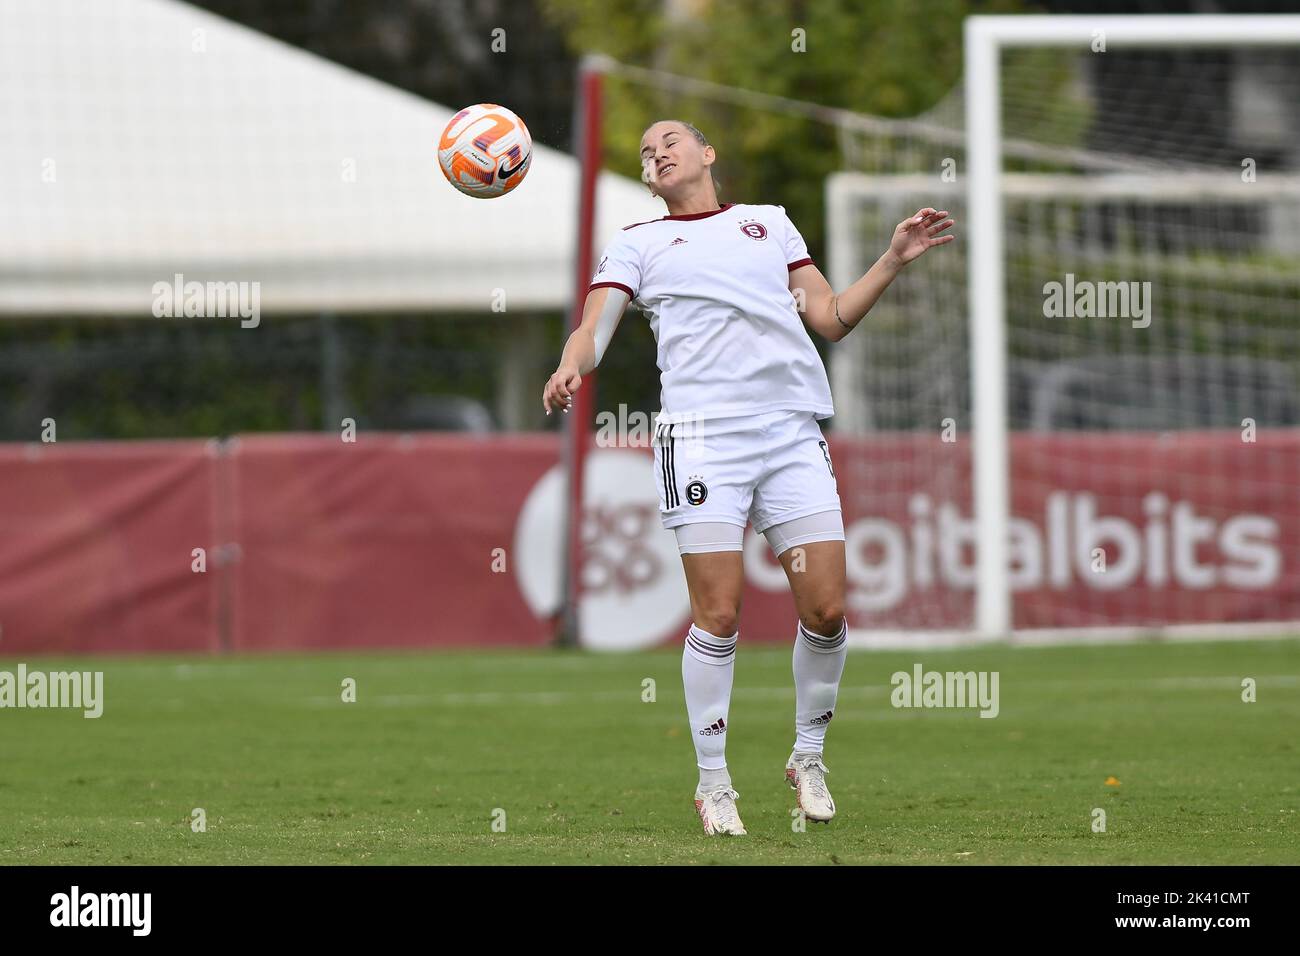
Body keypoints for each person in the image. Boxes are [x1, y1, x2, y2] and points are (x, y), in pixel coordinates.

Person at [542, 119, 955, 836]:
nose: (657, 152)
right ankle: (713, 782)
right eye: (645, 151)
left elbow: (829, 318)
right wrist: (571, 362)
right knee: (720, 614)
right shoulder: (638, 243)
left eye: (670, 140)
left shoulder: (769, 224)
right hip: (701, 441)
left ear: (708, 152)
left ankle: (808, 757)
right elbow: (595, 327)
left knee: (826, 610)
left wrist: (891, 259)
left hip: (789, 432)